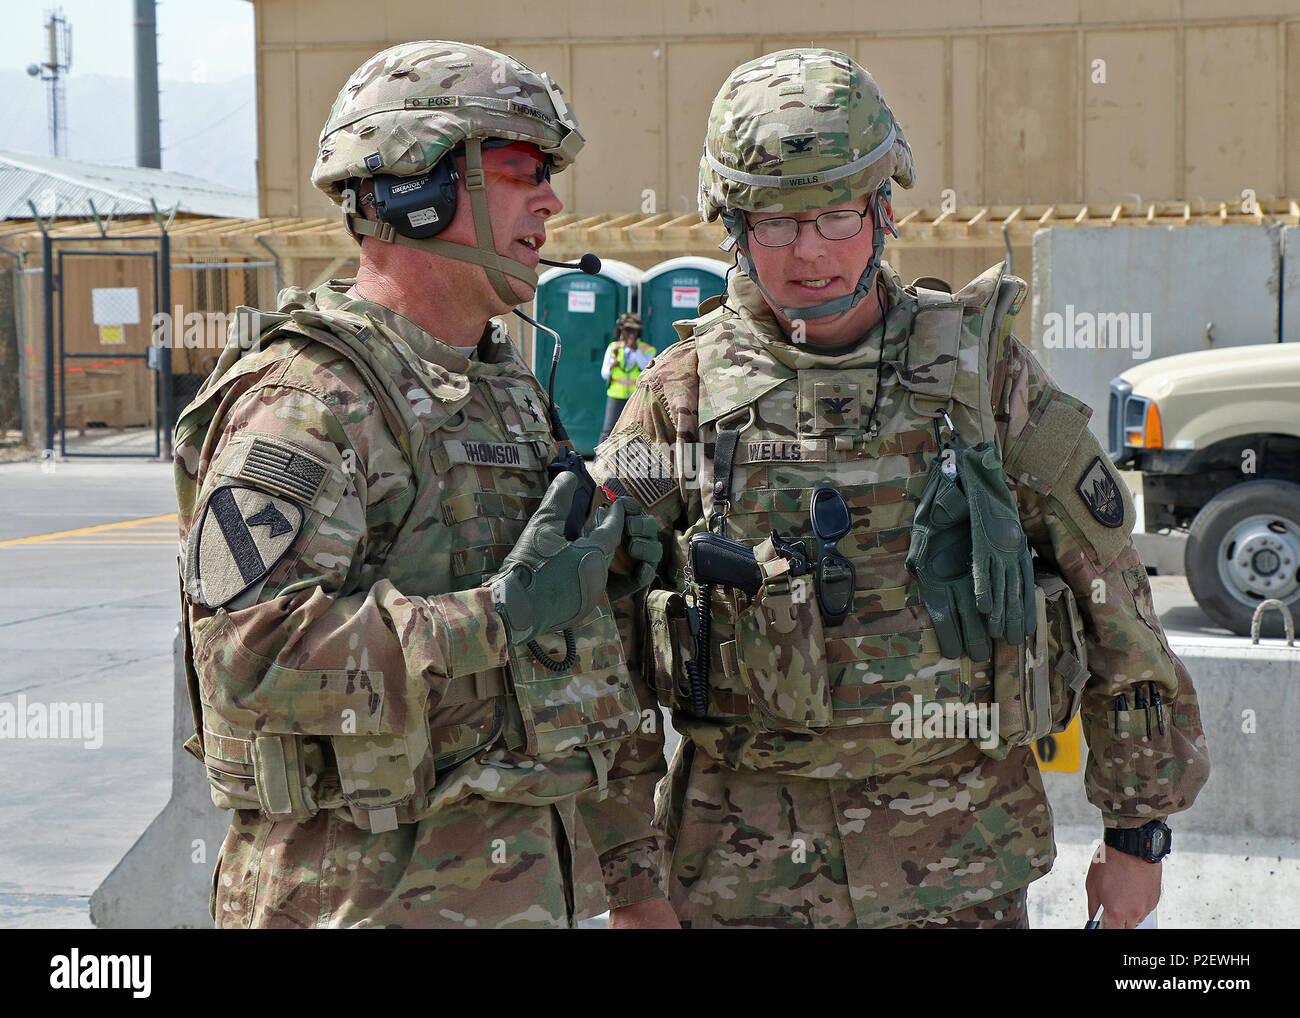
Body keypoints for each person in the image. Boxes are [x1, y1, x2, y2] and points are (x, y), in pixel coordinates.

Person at [592, 48, 1209, 929]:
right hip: (740, 880)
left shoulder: (983, 377)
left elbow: (1114, 597)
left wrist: (1137, 832)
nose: (809, 252)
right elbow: (596, 643)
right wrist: (631, 882)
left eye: (837, 215)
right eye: (774, 222)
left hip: (960, 866)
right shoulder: (680, 399)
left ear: (883, 209)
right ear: (731, 224)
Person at [172, 40, 677, 929]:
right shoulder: (309, 401)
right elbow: (245, 661)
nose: (551, 199)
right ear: (418, 184)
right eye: (521, 167)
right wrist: (498, 617)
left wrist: (635, 885)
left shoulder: (504, 389)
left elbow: (579, 671)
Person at [599, 312, 656, 443]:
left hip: (637, 395)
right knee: (608, 430)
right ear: (621, 331)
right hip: (616, 396)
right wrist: (611, 366)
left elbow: (647, 368)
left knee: (640, 430)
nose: (631, 334)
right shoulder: (614, 348)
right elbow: (604, 374)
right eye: (628, 330)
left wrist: (635, 351)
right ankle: (600, 461)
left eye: (634, 331)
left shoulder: (646, 350)